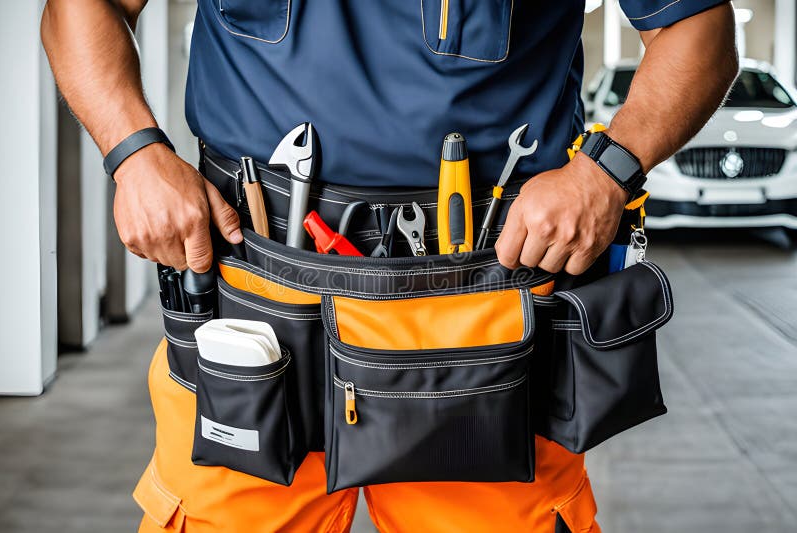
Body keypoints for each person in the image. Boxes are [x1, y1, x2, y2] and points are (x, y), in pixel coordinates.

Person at [41, 1, 737, 531]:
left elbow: (699, 30)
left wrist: (605, 173)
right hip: (253, 300)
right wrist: (133, 154)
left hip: (485, 310)